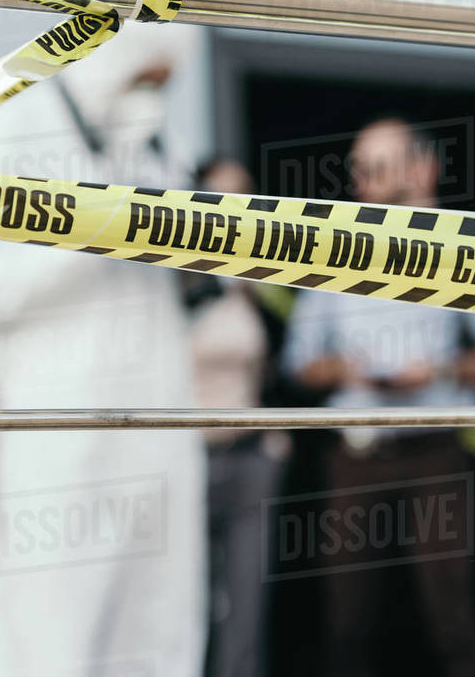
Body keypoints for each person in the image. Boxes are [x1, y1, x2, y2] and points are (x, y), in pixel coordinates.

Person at [0, 22, 208, 677]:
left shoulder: (158, 138)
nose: (158, 91)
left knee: (162, 632)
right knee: (51, 632)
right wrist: (97, 229)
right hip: (61, 438)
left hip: (165, 434)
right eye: (149, 74)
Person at [282, 117, 475, 677]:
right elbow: (299, 362)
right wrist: (347, 369)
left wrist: (438, 371)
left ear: (420, 169)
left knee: (452, 619)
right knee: (347, 623)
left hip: (437, 454)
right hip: (358, 453)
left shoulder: (469, 245)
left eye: (375, 166)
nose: (360, 180)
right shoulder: (335, 245)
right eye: (357, 168)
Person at [185, 157, 292, 677]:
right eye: (218, 195)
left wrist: (275, 434)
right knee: (183, 606)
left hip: (250, 457)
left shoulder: (261, 284)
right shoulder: (170, 284)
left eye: (243, 195)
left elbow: (284, 360)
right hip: (186, 459)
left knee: (247, 607)